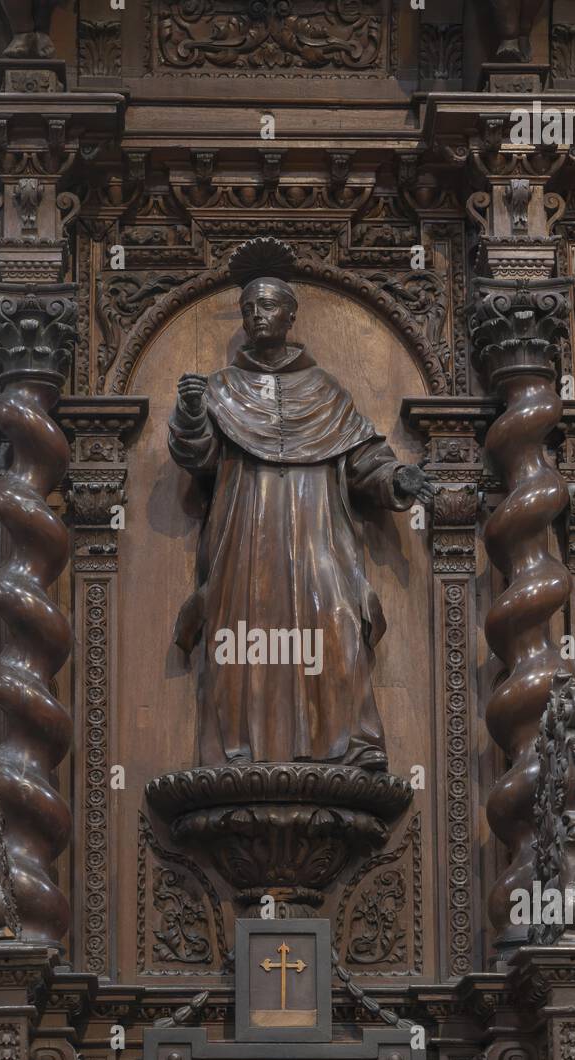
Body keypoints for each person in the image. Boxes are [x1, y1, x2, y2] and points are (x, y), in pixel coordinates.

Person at [168, 274, 433, 770]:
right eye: (248, 308)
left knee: (336, 619)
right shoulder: (222, 389)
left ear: (291, 317)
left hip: (317, 529)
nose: (257, 316)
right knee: (239, 634)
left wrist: (398, 478)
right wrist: (189, 413)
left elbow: (361, 459)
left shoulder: (325, 391)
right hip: (248, 526)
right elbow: (198, 458)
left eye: (267, 307)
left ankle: (352, 742)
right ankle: (235, 753)